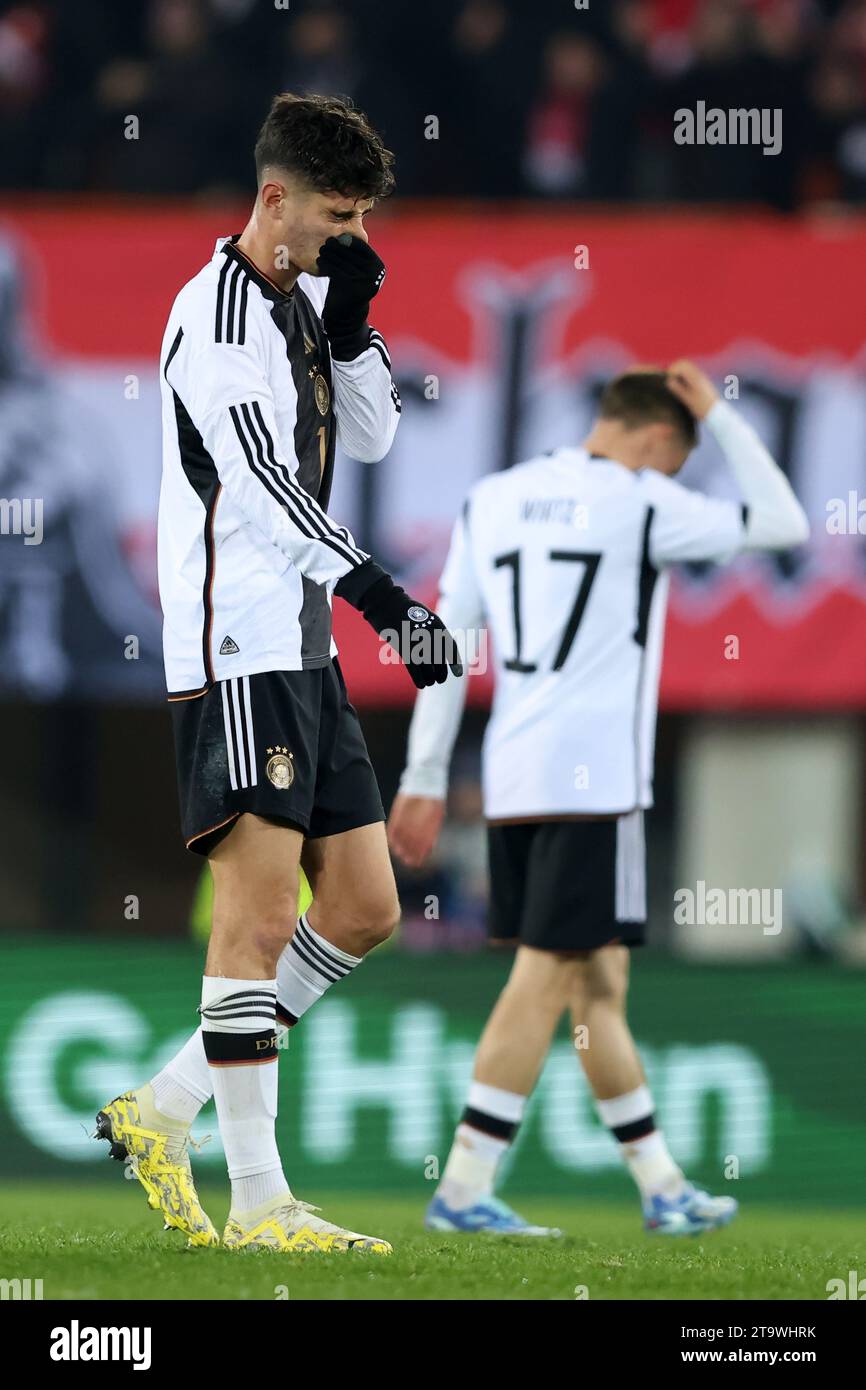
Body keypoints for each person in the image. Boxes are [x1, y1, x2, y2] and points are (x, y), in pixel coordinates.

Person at [95, 92, 459, 1256]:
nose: (350, 236)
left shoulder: (304, 302)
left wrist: (353, 328)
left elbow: (373, 439)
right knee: (252, 927)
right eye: (336, 216)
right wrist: (383, 596)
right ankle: (261, 1205)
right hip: (238, 641)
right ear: (273, 199)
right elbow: (258, 482)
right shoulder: (212, 316)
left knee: (361, 908)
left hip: (298, 641)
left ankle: (162, 1106)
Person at [388, 362, 809, 1236]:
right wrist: (722, 418)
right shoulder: (640, 499)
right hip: (595, 777)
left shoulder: (492, 498)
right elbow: (785, 522)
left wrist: (425, 777)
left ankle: (662, 1188)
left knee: (599, 981)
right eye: (676, 455)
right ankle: (463, 1188)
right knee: (545, 975)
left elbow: (442, 647)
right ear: (659, 438)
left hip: (510, 775)